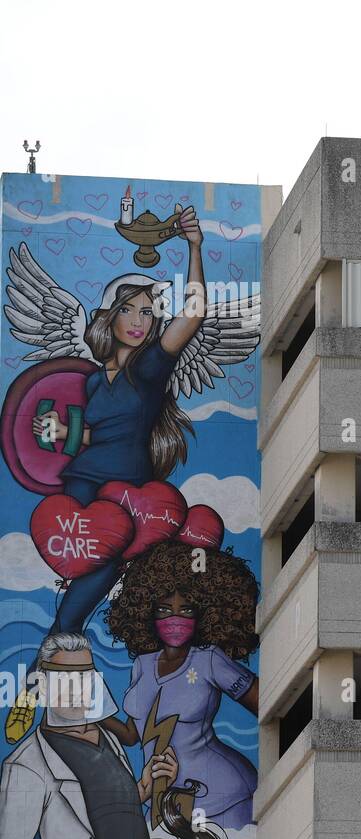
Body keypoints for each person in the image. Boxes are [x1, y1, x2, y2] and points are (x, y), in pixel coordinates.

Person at [31, 204, 206, 636]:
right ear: (110, 316)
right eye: (129, 309)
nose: (138, 321)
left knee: (107, 559)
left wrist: (195, 247)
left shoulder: (149, 370)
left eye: (147, 312)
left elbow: (195, 314)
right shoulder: (93, 382)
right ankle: (62, 635)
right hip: (82, 480)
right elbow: (93, 434)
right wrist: (59, 432)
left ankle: (60, 635)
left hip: (129, 484)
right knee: (93, 557)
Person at [105, 540, 259, 831]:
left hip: (222, 796)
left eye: (186, 610)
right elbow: (132, 734)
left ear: (204, 612)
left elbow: (270, 705)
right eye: (164, 609)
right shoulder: (143, 664)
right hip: (163, 798)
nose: (174, 618)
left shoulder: (209, 660)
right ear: (147, 611)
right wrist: (92, 717)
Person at [0, 632, 177, 839]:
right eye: (64, 679)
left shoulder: (107, 738)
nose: (75, 690)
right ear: (42, 685)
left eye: (83, 678)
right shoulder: (26, 765)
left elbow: (110, 810)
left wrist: (147, 785)